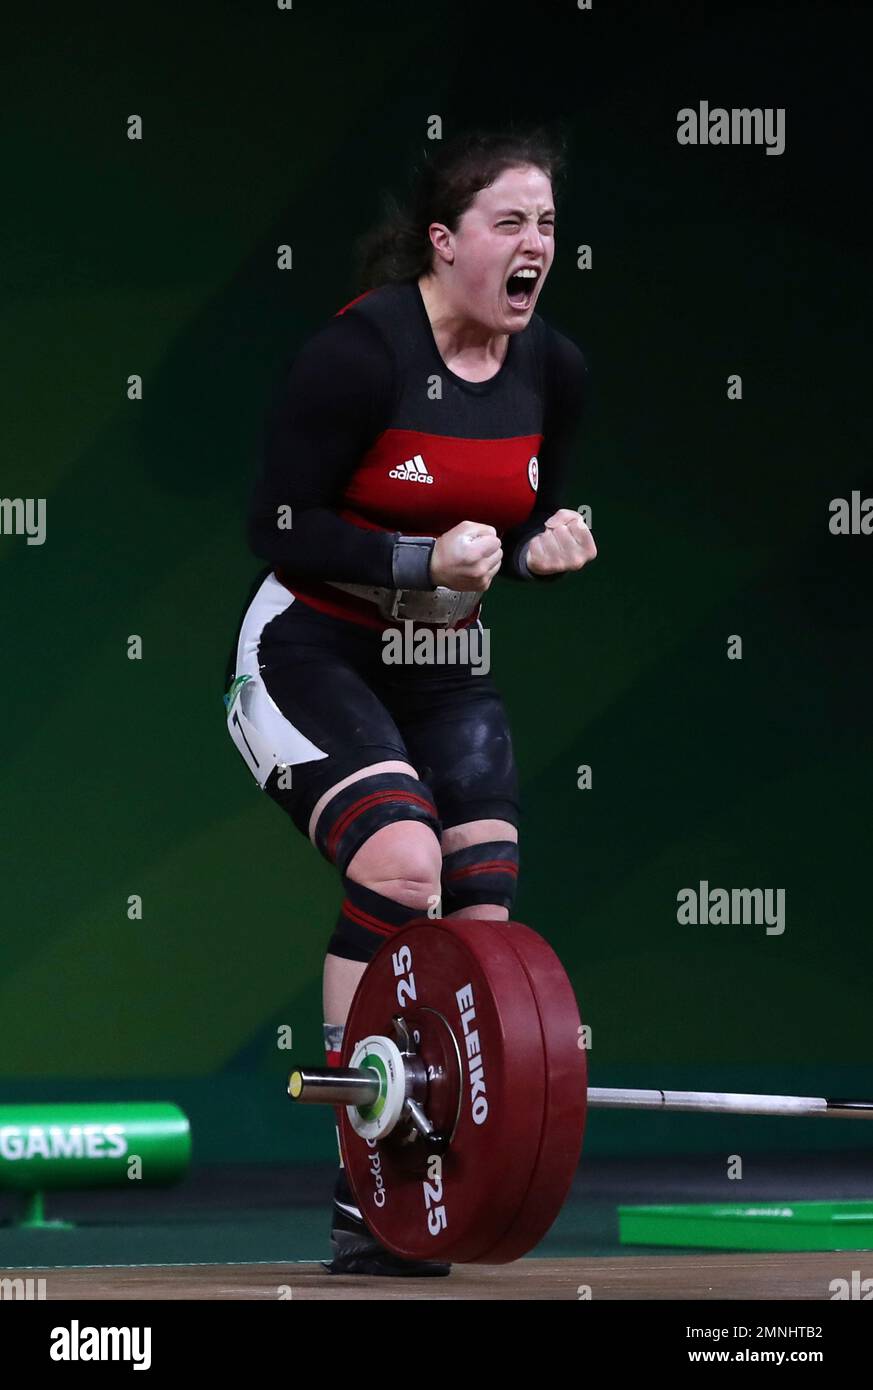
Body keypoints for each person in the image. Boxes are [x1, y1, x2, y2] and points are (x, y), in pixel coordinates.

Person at [223, 127, 597, 1276]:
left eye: (547, 225)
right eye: (508, 224)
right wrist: (415, 563)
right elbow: (278, 524)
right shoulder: (361, 355)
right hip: (307, 651)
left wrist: (544, 548)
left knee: (482, 915)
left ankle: (431, 1187)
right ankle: (359, 1172)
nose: (535, 245)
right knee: (401, 863)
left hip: (445, 667)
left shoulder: (555, 370)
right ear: (444, 244)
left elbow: (518, 516)